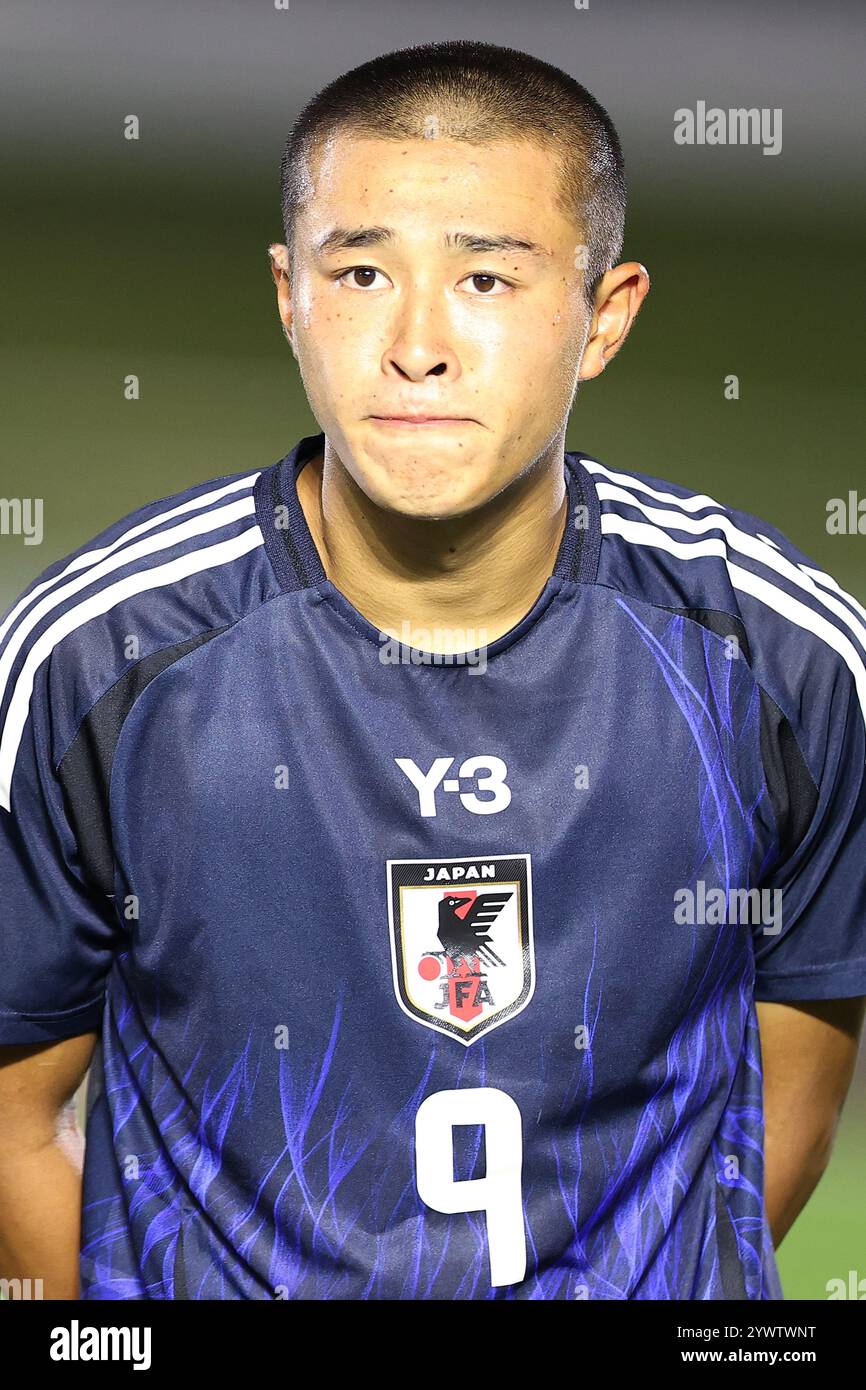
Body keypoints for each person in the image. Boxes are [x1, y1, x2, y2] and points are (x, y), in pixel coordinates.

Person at [1, 38, 864, 1302]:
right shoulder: (104, 658)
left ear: (603, 317)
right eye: (361, 272)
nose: (417, 345)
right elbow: (13, 1116)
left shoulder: (776, 656)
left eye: (487, 279)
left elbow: (777, 1104)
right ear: (289, 295)